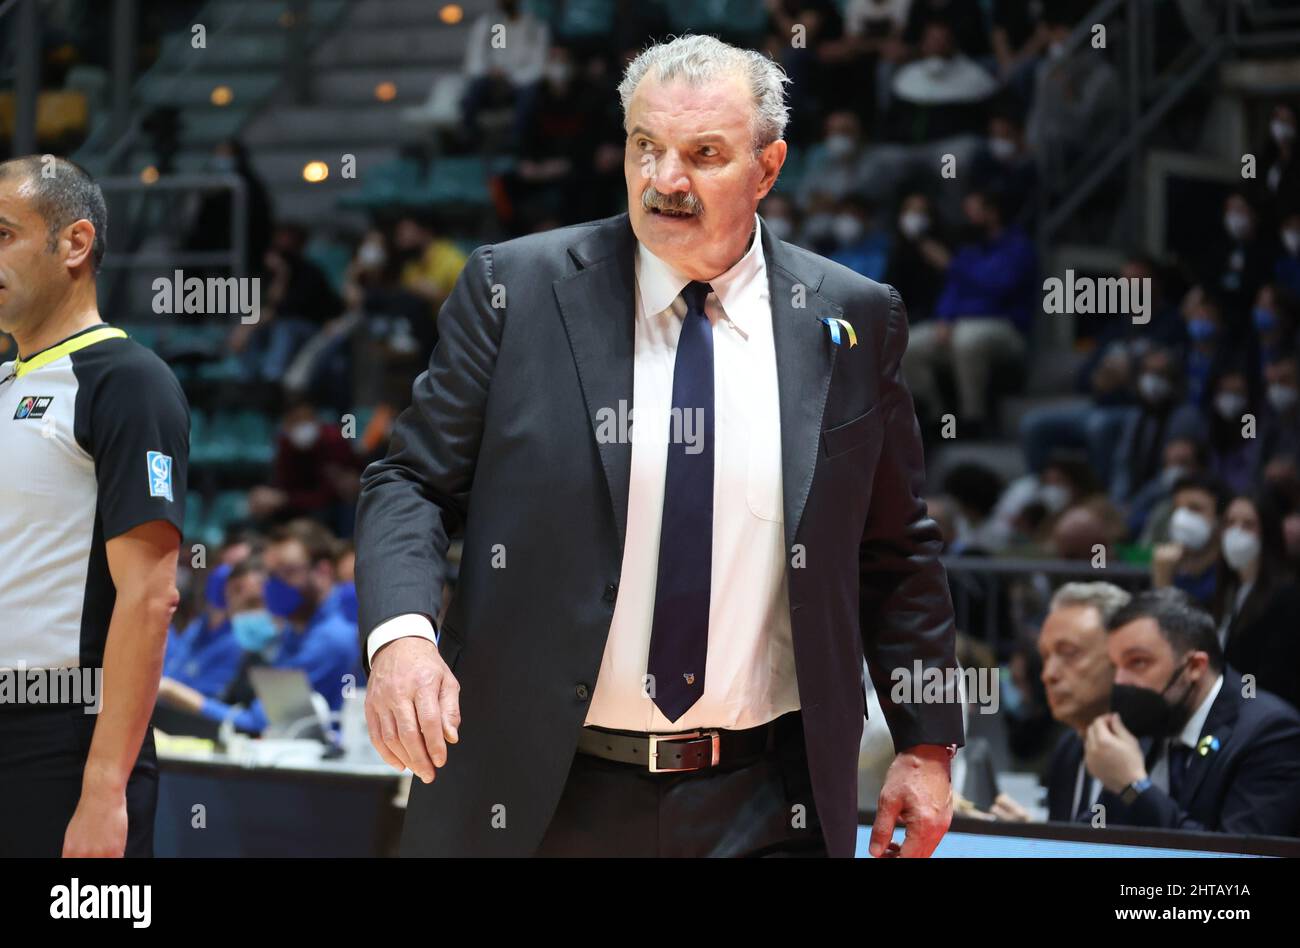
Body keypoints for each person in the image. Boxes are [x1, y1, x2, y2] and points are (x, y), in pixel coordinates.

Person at [355, 34, 964, 858]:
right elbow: (410, 481)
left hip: (765, 800)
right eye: (647, 147)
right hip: (538, 789)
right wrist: (400, 638)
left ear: (768, 166)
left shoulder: (851, 316)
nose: (665, 181)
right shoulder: (515, 288)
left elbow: (896, 548)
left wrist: (927, 745)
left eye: (704, 154)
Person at [0, 156, 188, 856]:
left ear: (74, 244)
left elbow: (149, 596)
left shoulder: (128, 380)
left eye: (3, 233)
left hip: (65, 739)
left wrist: (104, 791)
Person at [1085, 589, 1300, 835]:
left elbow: (1232, 853)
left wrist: (1133, 787)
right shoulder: (1150, 720)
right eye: (1116, 666)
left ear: (1195, 666)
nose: (1121, 681)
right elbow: (1096, 832)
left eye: (1138, 662)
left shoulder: (1271, 734)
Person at [158, 524, 359, 735]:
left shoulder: (332, 639)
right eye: (271, 575)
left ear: (323, 571)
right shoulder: (293, 631)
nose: (274, 586)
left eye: (287, 572)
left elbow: (263, 722)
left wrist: (173, 692)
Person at [992, 582, 1131, 824]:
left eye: (1069, 653)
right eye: (1046, 657)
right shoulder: (1068, 750)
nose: (1049, 674)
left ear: (1121, 657)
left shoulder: (1156, 751)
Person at [904, 188, 1038, 434]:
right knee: (909, 345)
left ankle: (973, 420)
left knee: (967, 339)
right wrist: (945, 318)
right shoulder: (971, 249)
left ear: (992, 213)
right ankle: (934, 417)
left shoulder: (1018, 247)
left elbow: (998, 289)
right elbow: (952, 291)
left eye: (973, 212)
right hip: (959, 324)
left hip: (1006, 327)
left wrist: (951, 266)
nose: (967, 218)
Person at [1212, 492, 1300, 710]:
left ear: (1267, 533)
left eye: (1248, 524)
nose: (1236, 532)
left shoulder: (1285, 595)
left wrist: (1244, 705)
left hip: (1263, 717)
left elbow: (1267, 675)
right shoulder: (1232, 590)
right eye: (1230, 523)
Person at [1152, 474, 1227, 610]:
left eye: (1195, 509)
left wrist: (1162, 584)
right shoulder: (1170, 566)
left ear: (1220, 520)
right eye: (1177, 508)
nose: (1182, 517)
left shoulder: (1227, 576)